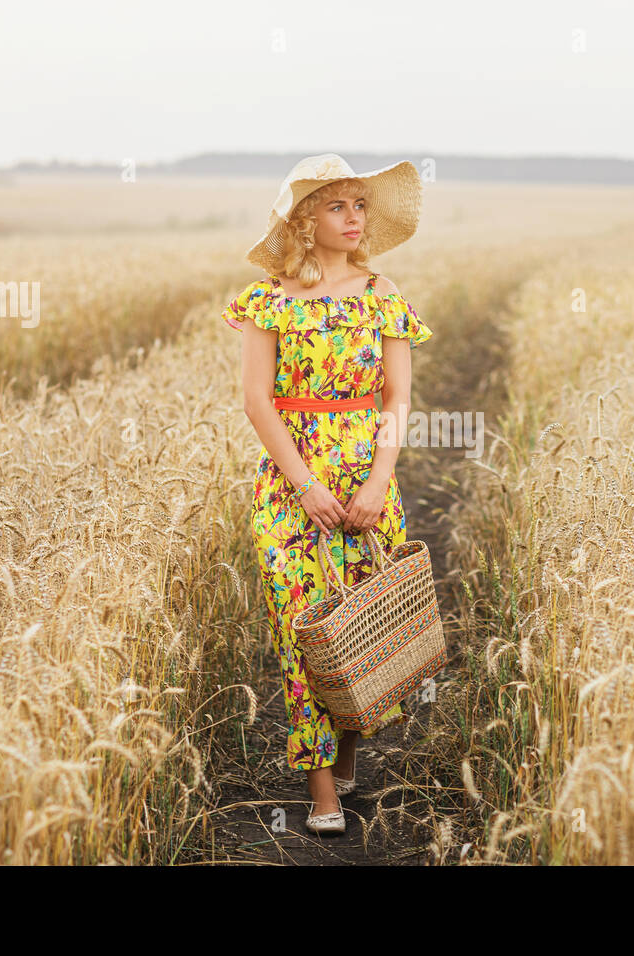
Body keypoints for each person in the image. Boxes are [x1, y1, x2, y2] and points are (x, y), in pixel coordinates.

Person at [221, 154, 432, 836]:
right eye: (338, 206)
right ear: (306, 218)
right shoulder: (270, 297)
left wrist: (377, 481)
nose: (353, 218)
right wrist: (306, 485)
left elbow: (397, 397)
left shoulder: (381, 291)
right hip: (291, 488)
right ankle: (323, 795)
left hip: (367, 478)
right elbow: (257, 401)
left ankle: (344, 752)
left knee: (361, 626)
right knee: (302, 625)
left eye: (360, 206)